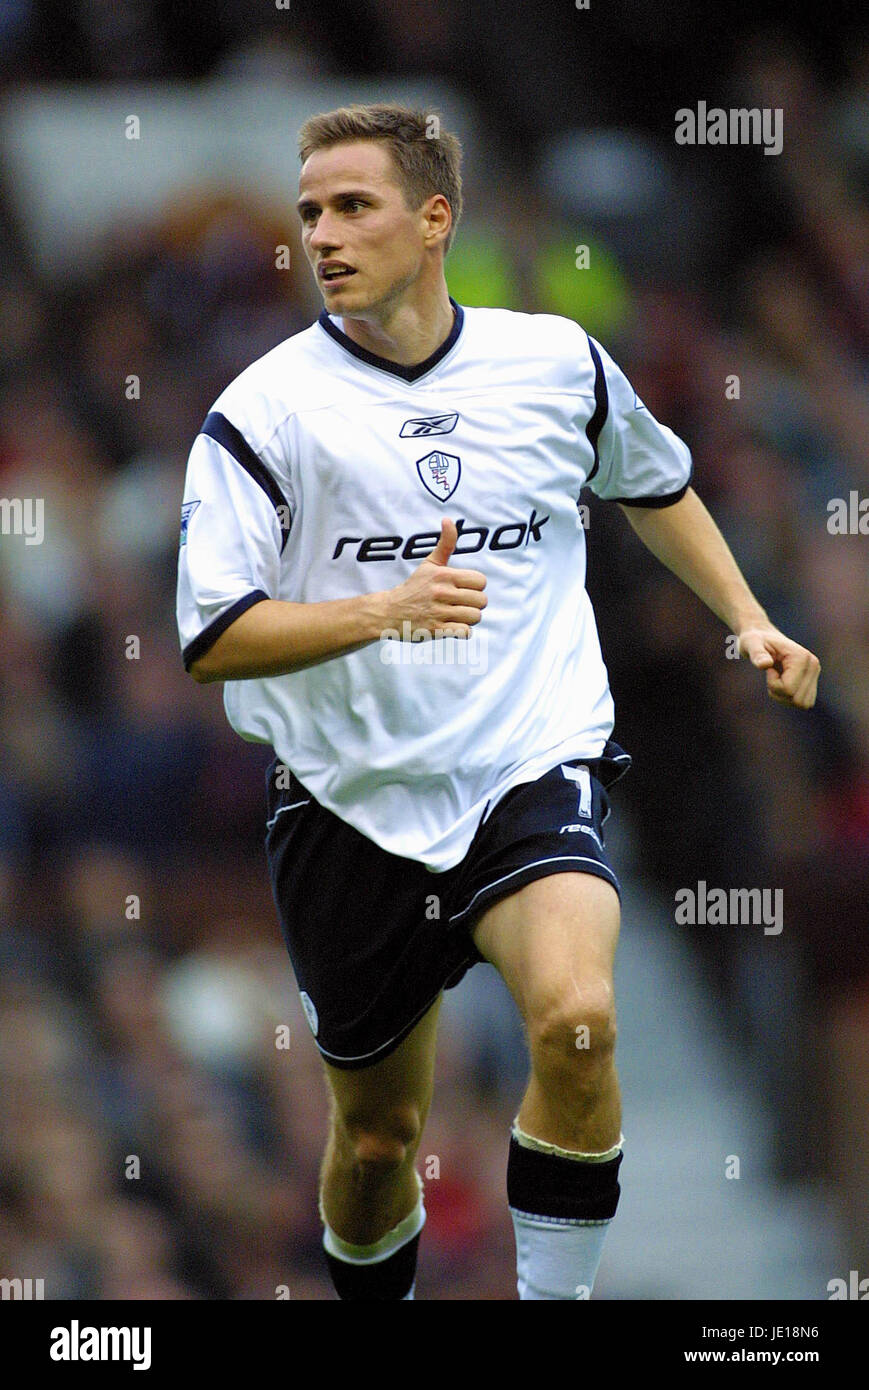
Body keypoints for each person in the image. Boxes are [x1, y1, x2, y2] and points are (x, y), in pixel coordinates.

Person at [175, 102, 821, 1301]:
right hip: (346, 800)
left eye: (352, 206)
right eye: (309, 210)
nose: (320, 233)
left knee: (578, 1021)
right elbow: (211, 640)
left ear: (434, 221)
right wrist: (385, 609)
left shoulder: (553, 361)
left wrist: (747, 615)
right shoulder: (260, 413)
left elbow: (655, 479)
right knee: (378, 1141)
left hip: (527, 762)